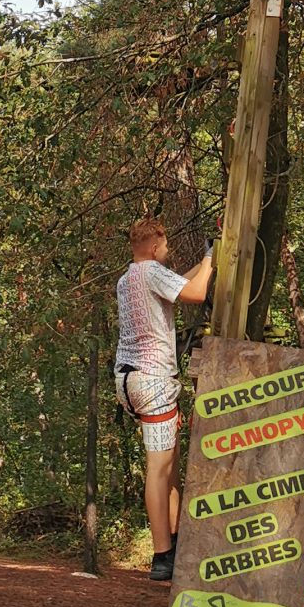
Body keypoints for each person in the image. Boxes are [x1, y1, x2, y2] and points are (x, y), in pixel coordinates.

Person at [115, 216, 212, 581]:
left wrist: (202, 266)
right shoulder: (152, 272)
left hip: (129, 381)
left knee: (168, 465)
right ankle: (161, 556)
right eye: (166, 245)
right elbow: (197, 292)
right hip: (153, 381)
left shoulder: (128, 279)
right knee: (159, 469)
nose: (168, 251)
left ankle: (174, 539)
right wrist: (211, 262)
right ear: (154, 246)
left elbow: (179, 285)